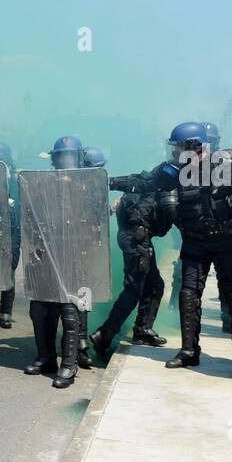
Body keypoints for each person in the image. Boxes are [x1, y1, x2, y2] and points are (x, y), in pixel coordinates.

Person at [164, 121, 232, 377]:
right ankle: (189, 351)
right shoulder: (177, 171)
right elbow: (145, 181)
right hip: (195, 242)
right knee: (188, 294)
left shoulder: (228, 165)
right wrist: (109, 181)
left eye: (179, 147)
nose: (174, 152)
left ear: (193, 146)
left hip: (228, 241)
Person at [89, 146, 171, 360]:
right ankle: (104, 334)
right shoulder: (167, 178)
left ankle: (142, 330)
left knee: (154, 286)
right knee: (134, 290)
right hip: (137, 241)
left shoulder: (158, 174)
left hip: (134, 238)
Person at [24, 136, 87, 388]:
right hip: (47, 254)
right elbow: (31, 216)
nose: (64, 162)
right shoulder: (43, 185)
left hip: (74, 256)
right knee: (40, 310)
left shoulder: (87, 184)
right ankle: (46, 357)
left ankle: (69, 365)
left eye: (68, 156)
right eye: (60, 157)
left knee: (70, 312)